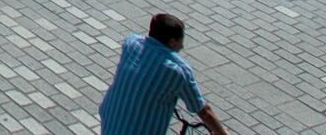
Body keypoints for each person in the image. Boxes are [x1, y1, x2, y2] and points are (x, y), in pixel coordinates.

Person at [98, 13, 231, 135]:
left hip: (111, 121)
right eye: (181, 41)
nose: (182, 46)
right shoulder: (178, 71)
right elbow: (203, 111)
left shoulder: (131, 43)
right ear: (172, 41)